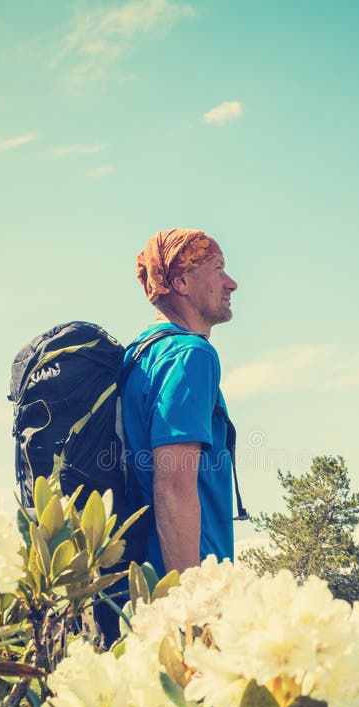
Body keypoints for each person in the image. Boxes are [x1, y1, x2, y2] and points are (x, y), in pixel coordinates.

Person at [121, 228, 243, 577]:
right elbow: (173, 485)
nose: (231, 283)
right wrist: (188, 605)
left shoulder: (140, 354)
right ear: (182, 282)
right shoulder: (191, 354)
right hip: (184, 585)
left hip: (141, 582)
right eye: (218, 269)